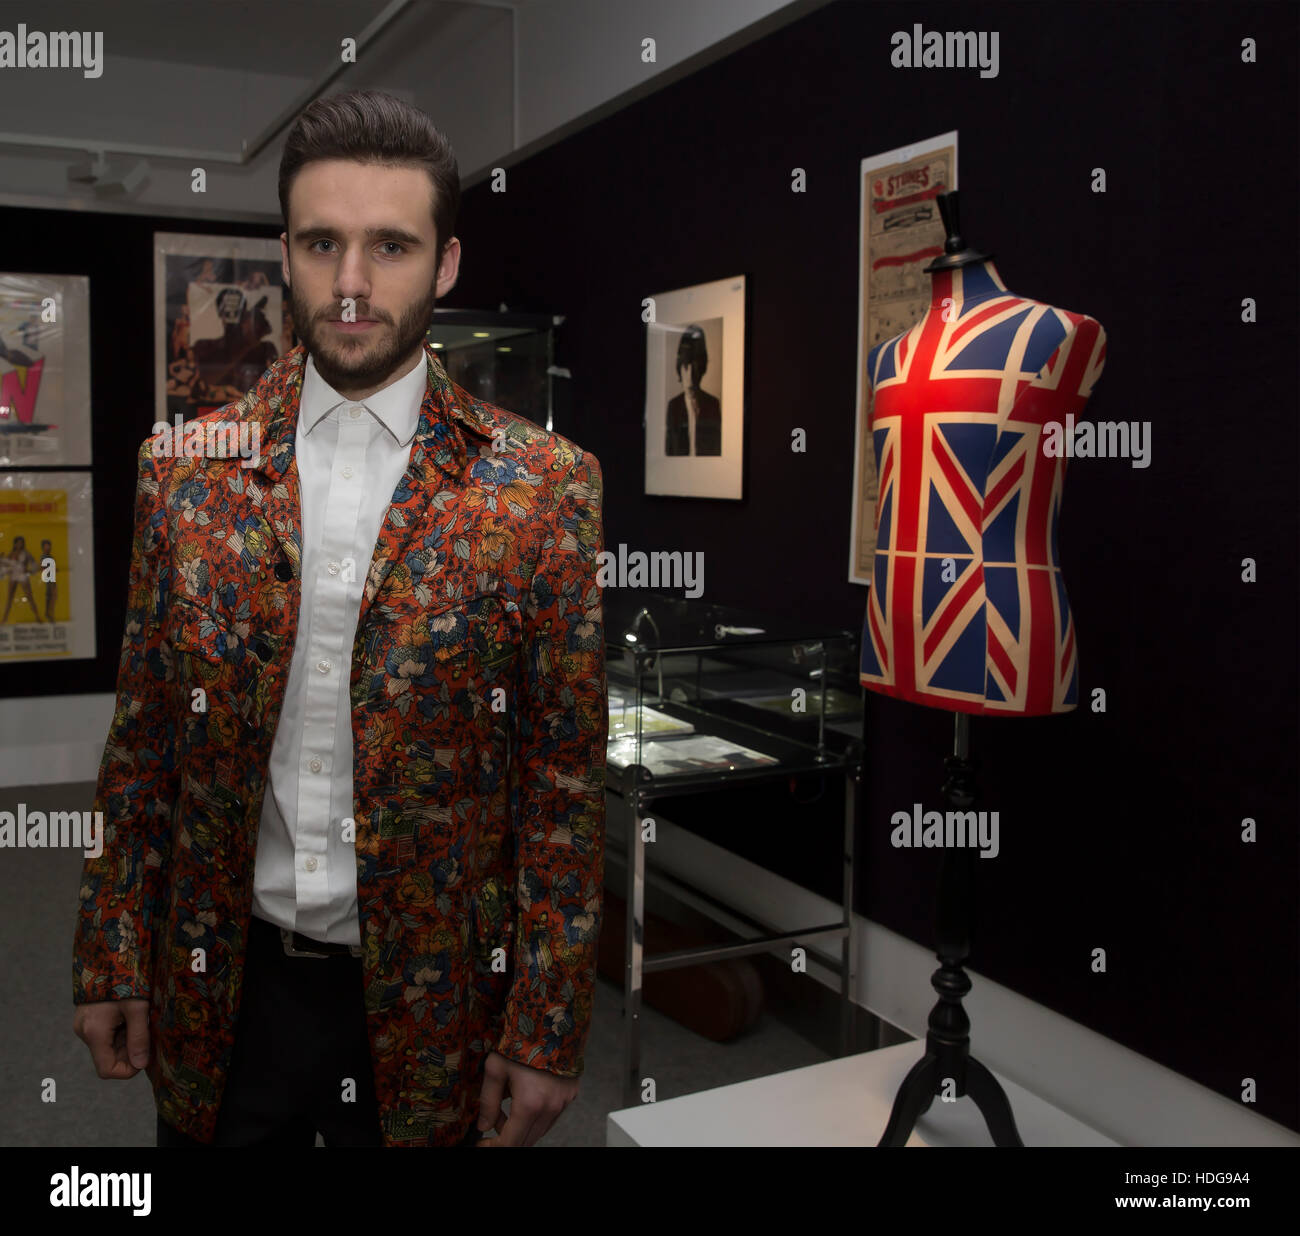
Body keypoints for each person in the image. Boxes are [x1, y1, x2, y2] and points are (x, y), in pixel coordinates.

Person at [72, 89, 608, 1149]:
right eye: (322, 243)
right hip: (228, 979)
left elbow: (560, 783)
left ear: (445, 264)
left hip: (436, 995)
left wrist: (543, 1026)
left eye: (391, 247)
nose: (352, 285)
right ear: (283, 251)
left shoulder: (543, 487)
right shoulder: (185, 474)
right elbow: (141, 742)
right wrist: (111, 952)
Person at [664, 324, 721, 455]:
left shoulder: (713, 405)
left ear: (701, 367)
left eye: (693, 367)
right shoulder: (674, 406)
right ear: (679, 367)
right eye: (685, 366)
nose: (689, 375)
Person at [1, 534, 40, 623]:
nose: (19, 545)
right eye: (17, 543)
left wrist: (30, 571)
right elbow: (5, 564)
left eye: (21, 543)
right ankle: (4, 619)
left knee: (30, 597)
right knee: (9, 598)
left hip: (22, 576)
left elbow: (33, 564)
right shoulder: (11, 553)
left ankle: (37, 616)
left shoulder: (26, 553)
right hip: (13, 576)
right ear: (14, 544)